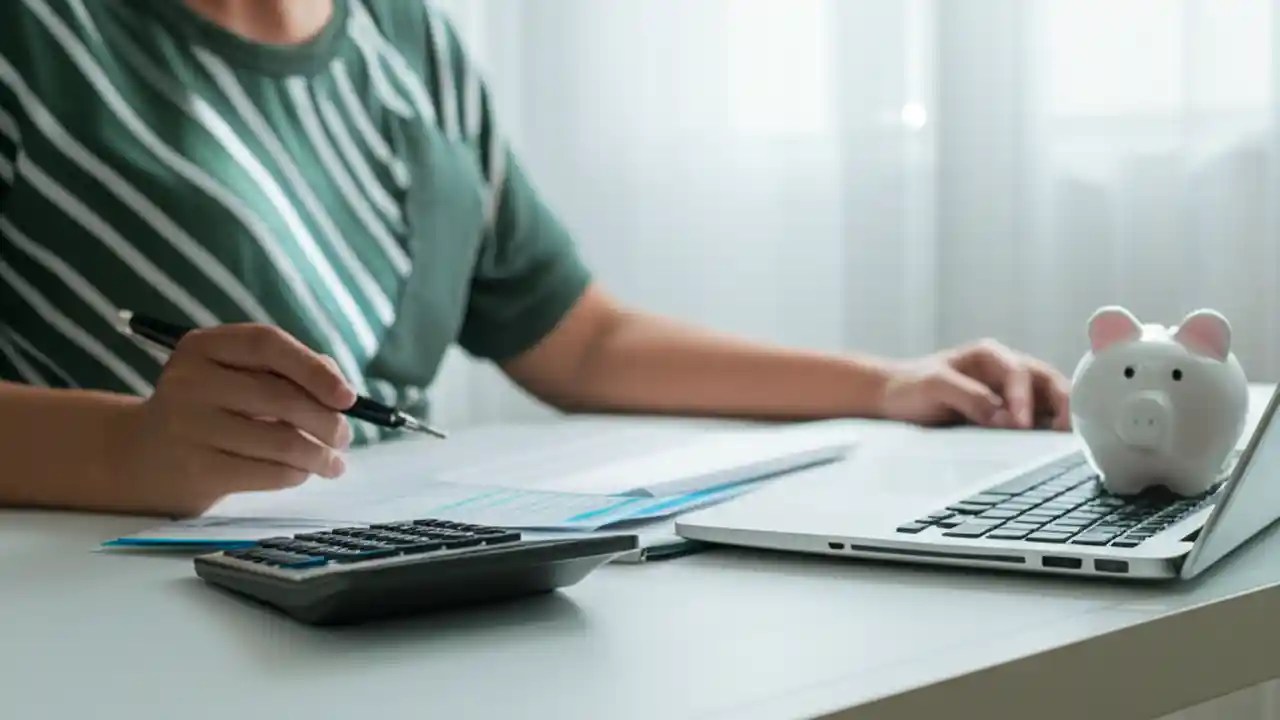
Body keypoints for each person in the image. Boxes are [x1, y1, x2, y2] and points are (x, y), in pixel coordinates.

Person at [0, 0, 1071, 518]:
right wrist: (133, 450)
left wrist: (885, 383)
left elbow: (579, 337)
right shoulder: (39, 33)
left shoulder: (399, 33)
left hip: (362, 584)